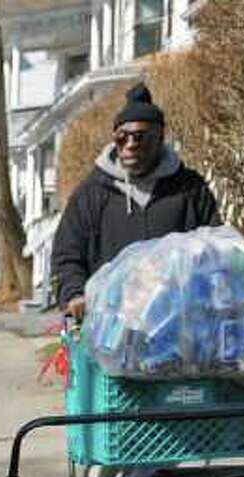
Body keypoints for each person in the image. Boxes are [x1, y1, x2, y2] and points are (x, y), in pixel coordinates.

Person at [52, 83, 221, 320]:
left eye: (140, 137)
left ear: (160, 138)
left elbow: (215, 250)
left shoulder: (190, 189)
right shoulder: (91, 194)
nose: (130, 144)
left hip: (176, 323)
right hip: (109, 324)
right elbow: (67, 255)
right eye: (122, 138)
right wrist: (74, 294)